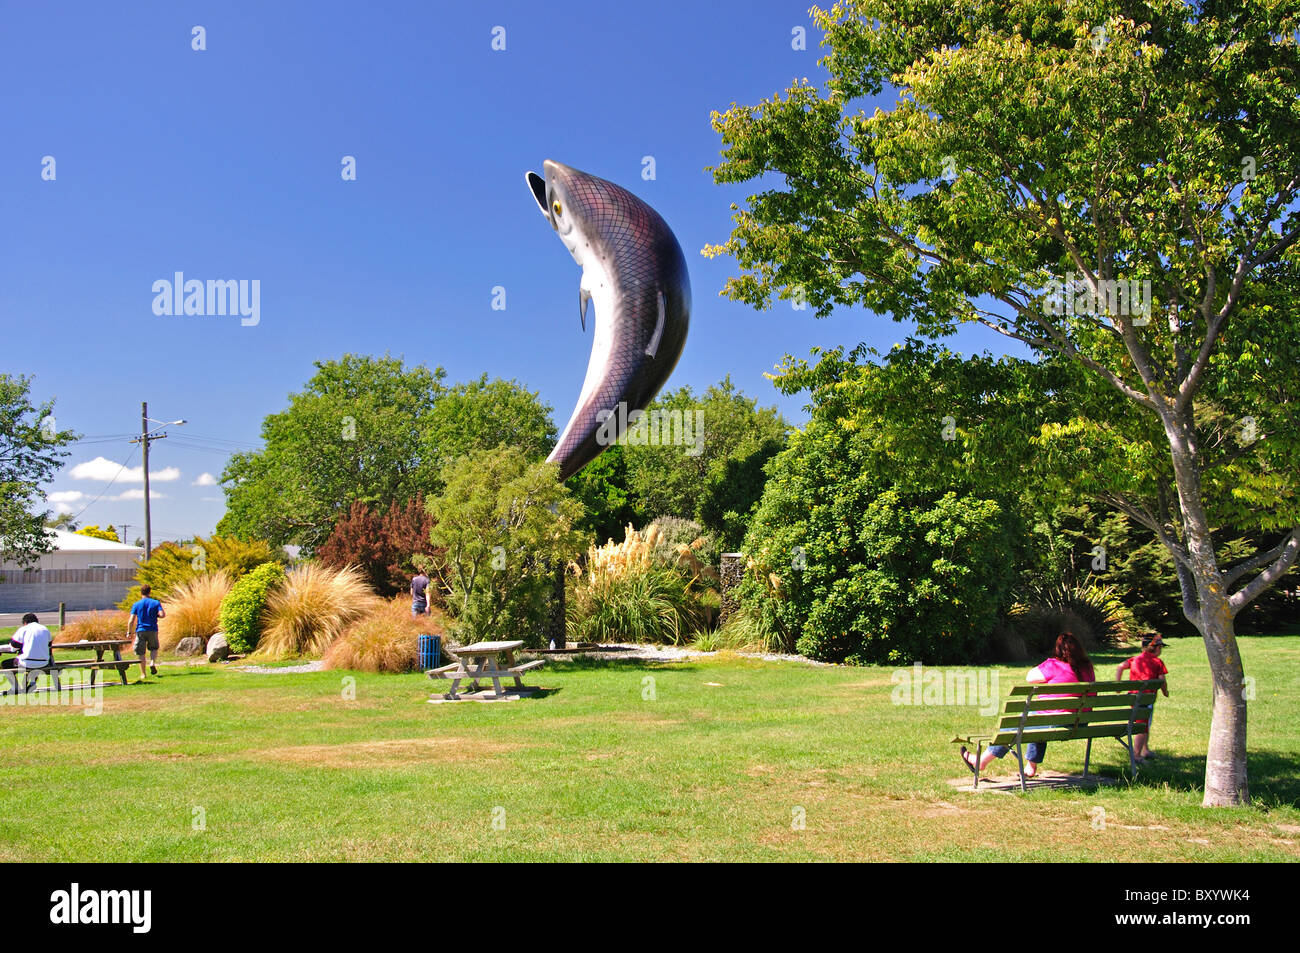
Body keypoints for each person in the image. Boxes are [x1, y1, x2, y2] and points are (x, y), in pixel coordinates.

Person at [961, 631, 1095, 780]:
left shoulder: (1053, 665)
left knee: (1020, 723)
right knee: (1037, 719)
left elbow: (1030, 677)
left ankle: (981, 761)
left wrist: (1047, 662)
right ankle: (1030, 767)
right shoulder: (1087, 667)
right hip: (1080, 724)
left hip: (1056, 723)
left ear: (1058, 650)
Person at [1116, 634, 1170, 761]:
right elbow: (1162, 680)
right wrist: (1165, 691)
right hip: (1146, 699)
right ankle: (1136, 754)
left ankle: (1145, 750)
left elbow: (1120, 667)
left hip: (1133, 698)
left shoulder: (1135, 659)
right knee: (1143, 726)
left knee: (1145, 723)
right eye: (1160, 648)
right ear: (1156, 648)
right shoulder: (1157, 662)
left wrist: (1118, 686)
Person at [3, 613, 52, 692]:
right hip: (44, 662)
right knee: (35, 662)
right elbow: (49, 645)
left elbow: (13, 646)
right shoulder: (45, 629)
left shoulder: (24, 629)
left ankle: (14, 687)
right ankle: (32, 684)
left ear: (25, 622)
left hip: (27, 662)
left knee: (5, 664)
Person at [128, 585, 166, 679]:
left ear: (141, 593)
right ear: (150, 592)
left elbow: (131, 620)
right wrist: (155, 615)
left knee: (141, 652)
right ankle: (152, 662)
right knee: (153, 648)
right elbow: (162, 615)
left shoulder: (136, 604)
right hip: (153, 629)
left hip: (141, 630)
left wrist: (129, 632)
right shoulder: (156, 603)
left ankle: (143, 674)